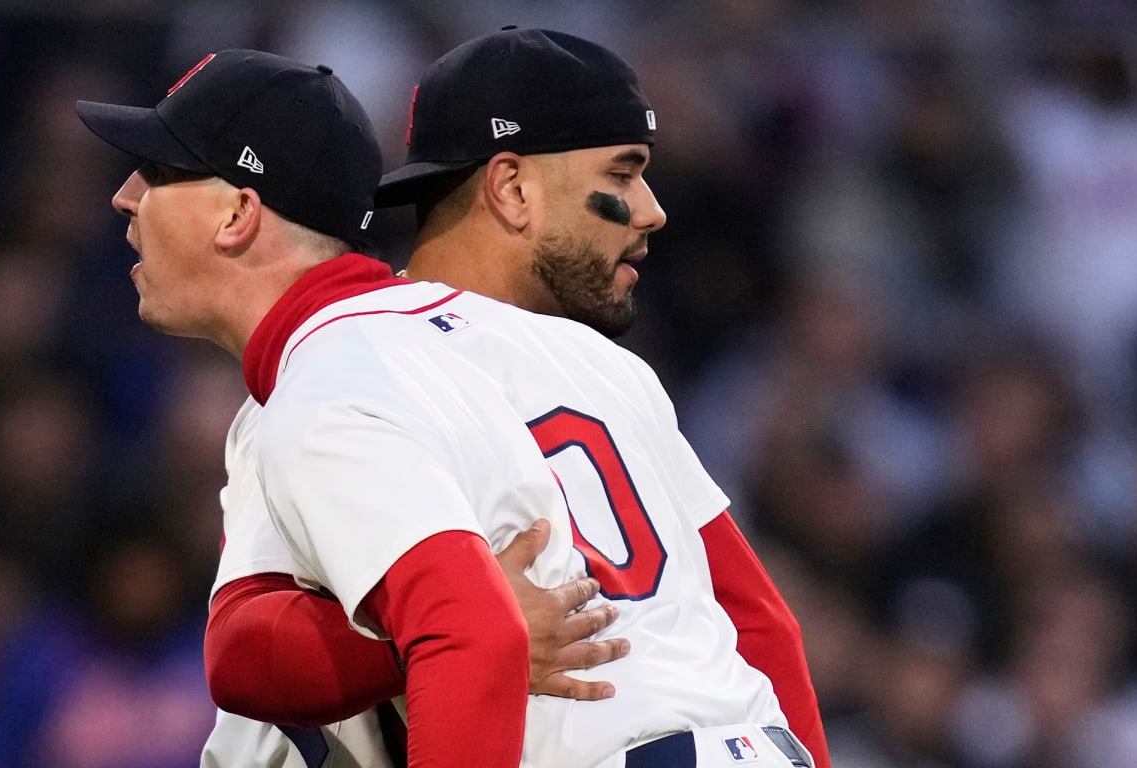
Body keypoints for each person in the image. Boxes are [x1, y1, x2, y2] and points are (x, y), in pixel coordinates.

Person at [77, 31, 823, 767]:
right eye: (623, 173)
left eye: (156, 172)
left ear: (240, 213)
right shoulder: (585, 357)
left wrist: (449, 626)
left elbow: (463, 635)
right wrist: (418, 637)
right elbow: (760, 624)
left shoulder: (332, 380)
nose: (124, 197)